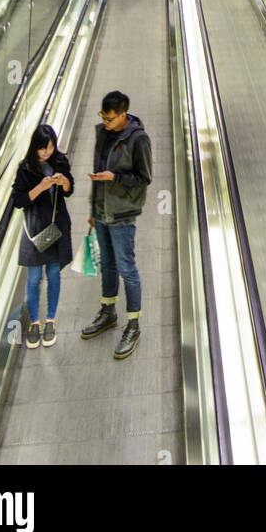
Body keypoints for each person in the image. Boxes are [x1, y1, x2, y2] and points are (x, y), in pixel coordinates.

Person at [82, 91, 153, 360]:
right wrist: (92, 208)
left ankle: (133, 325)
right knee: (107, 264)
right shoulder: (102, 133)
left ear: (123, 114)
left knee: (127, 268)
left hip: (123, 214)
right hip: (101, 211)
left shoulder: (138, 139)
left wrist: (115, 177)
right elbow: (96, 171)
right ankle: (108, 312)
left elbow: (144, 177)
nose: (105, 122)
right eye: (103, 117)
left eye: (110, 118)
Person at [11, 124, 74, 349]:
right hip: (35, 228)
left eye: (50, 147)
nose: (47, 152)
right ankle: (34, 322)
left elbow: (69, 188)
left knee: (54, 274)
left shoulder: (60, 162)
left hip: (57, 225)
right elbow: (18, 200)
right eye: (43, 148)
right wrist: (40, 187)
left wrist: (63, 182)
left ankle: (51, 320)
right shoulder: (25, 168)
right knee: (34, 277)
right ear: (34, 148)